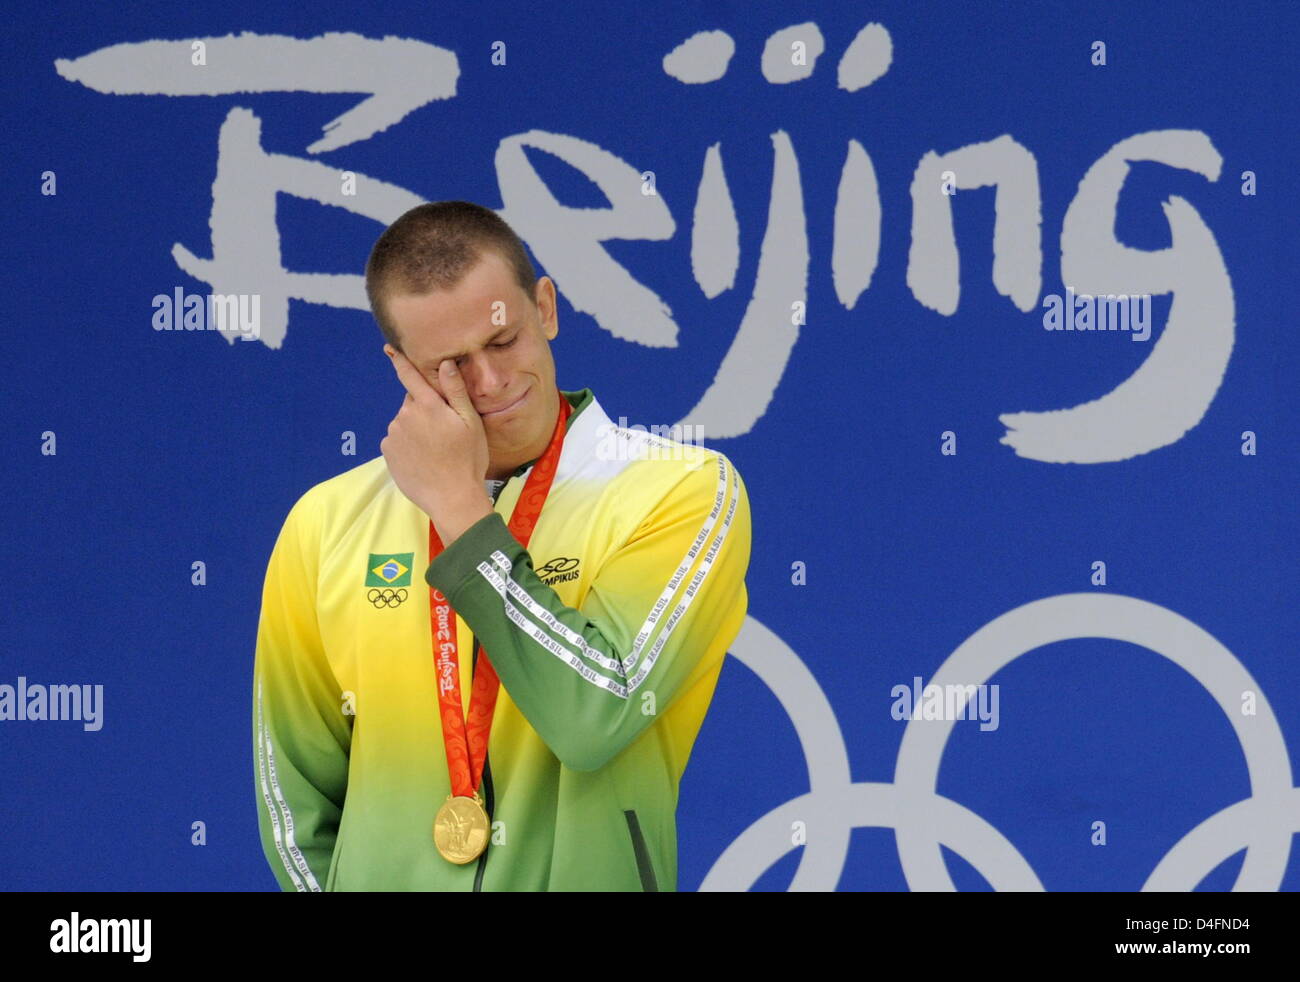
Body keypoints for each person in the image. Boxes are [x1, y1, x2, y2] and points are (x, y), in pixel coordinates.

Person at [252, 200, 751, 891]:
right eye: (449, 366)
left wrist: (459, 510)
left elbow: (595, 715)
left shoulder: (681, 491)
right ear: (401, 367)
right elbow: (295, 806)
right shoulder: (325, 521)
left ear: (544, 307)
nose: (488, 384)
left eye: (503, 340)